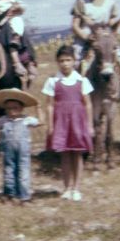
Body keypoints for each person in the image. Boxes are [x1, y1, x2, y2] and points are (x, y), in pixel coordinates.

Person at [42, 45, 94, 202]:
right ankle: (66, 188)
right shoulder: (53, 81)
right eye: (61, 61)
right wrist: (50, 125)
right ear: (57, 62)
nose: (65, 64)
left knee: (77, 154)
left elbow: (88, 104)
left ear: (74, 61)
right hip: (61, 123)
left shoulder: (82, 80)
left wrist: (90, 125)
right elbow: (50, 105)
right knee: (64, 154)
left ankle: (77, 188)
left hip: (78, 122)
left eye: (68, 60)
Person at [0, 88, 42, 205]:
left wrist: (38, 107)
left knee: (23, 171)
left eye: (15, 108)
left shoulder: (26, 119)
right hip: (8, 150)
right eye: (8, 108)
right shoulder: (3, 120)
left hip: (23, 150)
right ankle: (10, 194)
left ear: (21, 108)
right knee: (9, 170)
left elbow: (40, 122)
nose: (11, 111)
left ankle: (24, 196)